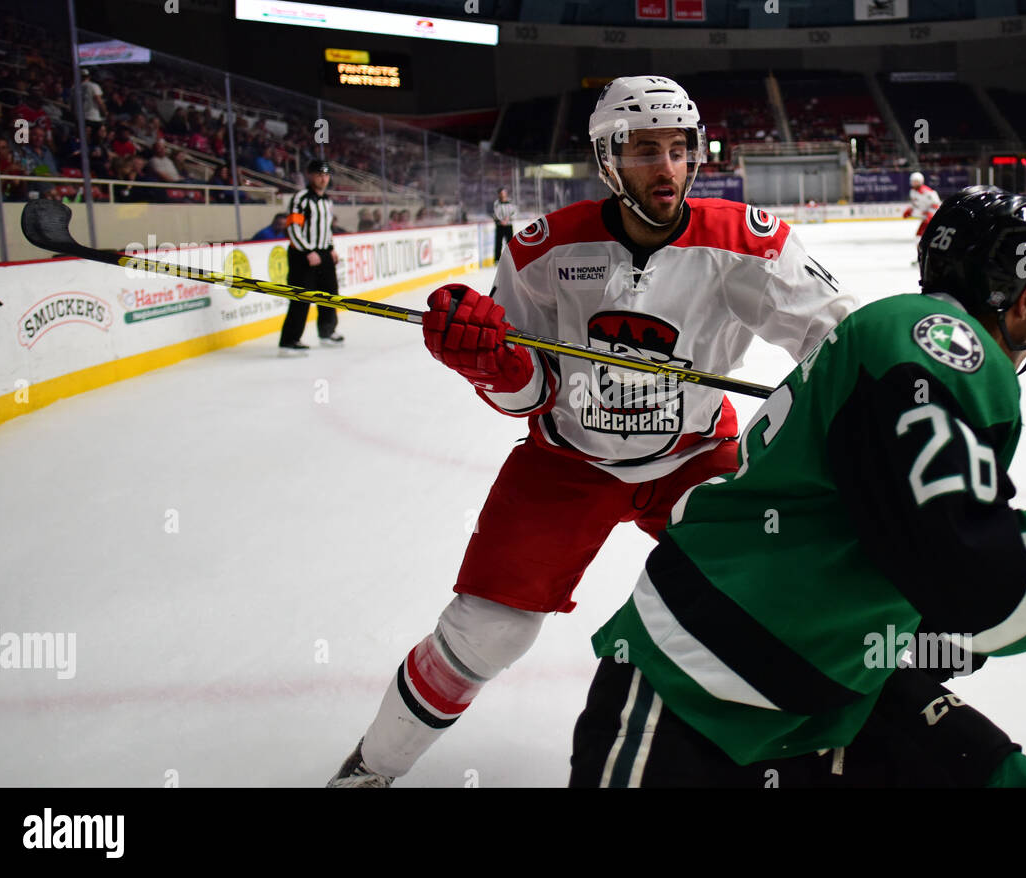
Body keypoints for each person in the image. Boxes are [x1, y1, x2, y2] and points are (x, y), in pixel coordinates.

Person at [567, 186, 1026, 787]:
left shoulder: (894, 337)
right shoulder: (937, 341)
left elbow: (889, 546)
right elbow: (979, 580)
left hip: (810, 696)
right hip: (691, 704)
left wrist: (919, 635)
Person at [328, 74, 858, 786]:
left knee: (774, 604)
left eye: (678, 148)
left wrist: (877, 395)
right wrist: (488, 363)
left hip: (693, 458)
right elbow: (530, 393)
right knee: (489, 629)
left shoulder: (746, 244)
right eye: (644, 150)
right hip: (566, 464)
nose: (667, 167)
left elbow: (844, 342)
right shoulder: (543, 249)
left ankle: (798, 762)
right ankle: (372, 766)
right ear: (608, 158)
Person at [279, 158, 343, 355]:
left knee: (330, 294)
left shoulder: (327, 201)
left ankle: (327, 332)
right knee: (301, 298)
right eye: (319, 175)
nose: (323, 179)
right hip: (302, 255)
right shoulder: (301, 198)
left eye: (326, 175)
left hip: (323, 253)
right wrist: (307, 251)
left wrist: (330, 248)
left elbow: (326, 229)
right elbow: (293, 228)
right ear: (310, 175)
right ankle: (289, 341)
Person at [902, 171, 940, 264]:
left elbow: (936, 204)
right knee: (919, 238)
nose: (914, 183)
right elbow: (916, 205)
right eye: (913, 181)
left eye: (916, 181)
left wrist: (930, 215)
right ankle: (922, 257)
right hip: (926, 219)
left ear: (921, 181)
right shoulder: (912, 192)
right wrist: (910, 210)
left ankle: (926, 258)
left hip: (931, 219)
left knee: (923, 238)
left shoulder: (927, 192)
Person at [491, 187, 516, 263]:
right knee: (498, 243)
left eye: (504, 193)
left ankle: (511, 259)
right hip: (500, 225)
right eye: (501, 193)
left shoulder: (511, 202)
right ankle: (497, 259)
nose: (503, 195)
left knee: (510, 243)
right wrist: (501, 220)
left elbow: (514, 212)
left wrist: (508, 219)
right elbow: (496, 213)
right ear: (499, 194)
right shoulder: (496, 203)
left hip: (508, 225)